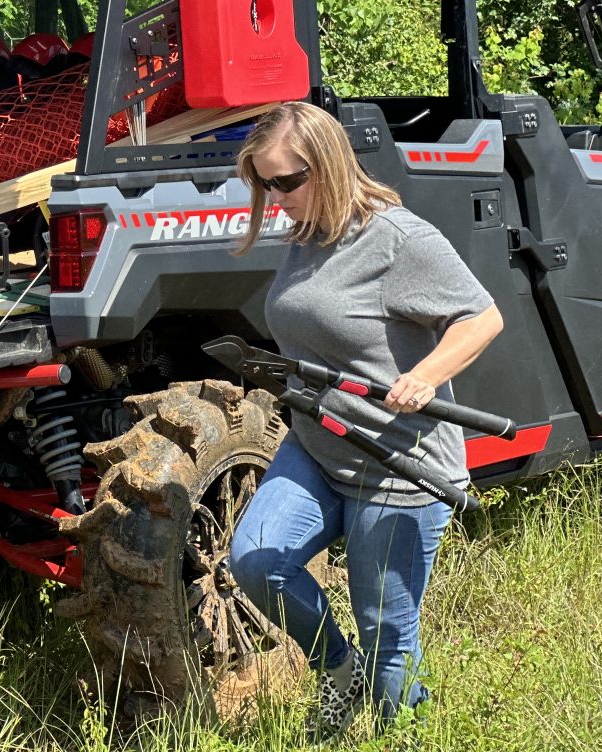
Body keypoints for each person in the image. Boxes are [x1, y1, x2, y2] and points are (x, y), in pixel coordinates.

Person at [226, 101, 503, 740]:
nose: (276, 196)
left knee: (388, 637)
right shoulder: (306, 236)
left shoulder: (400, 239)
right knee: (257, 562)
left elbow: (481, 316)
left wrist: (427, 375)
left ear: (327, 164)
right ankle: (337, 668)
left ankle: (404, 729)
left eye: (287, 181)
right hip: (319, 444)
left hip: (394, 465)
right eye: (265, 183)